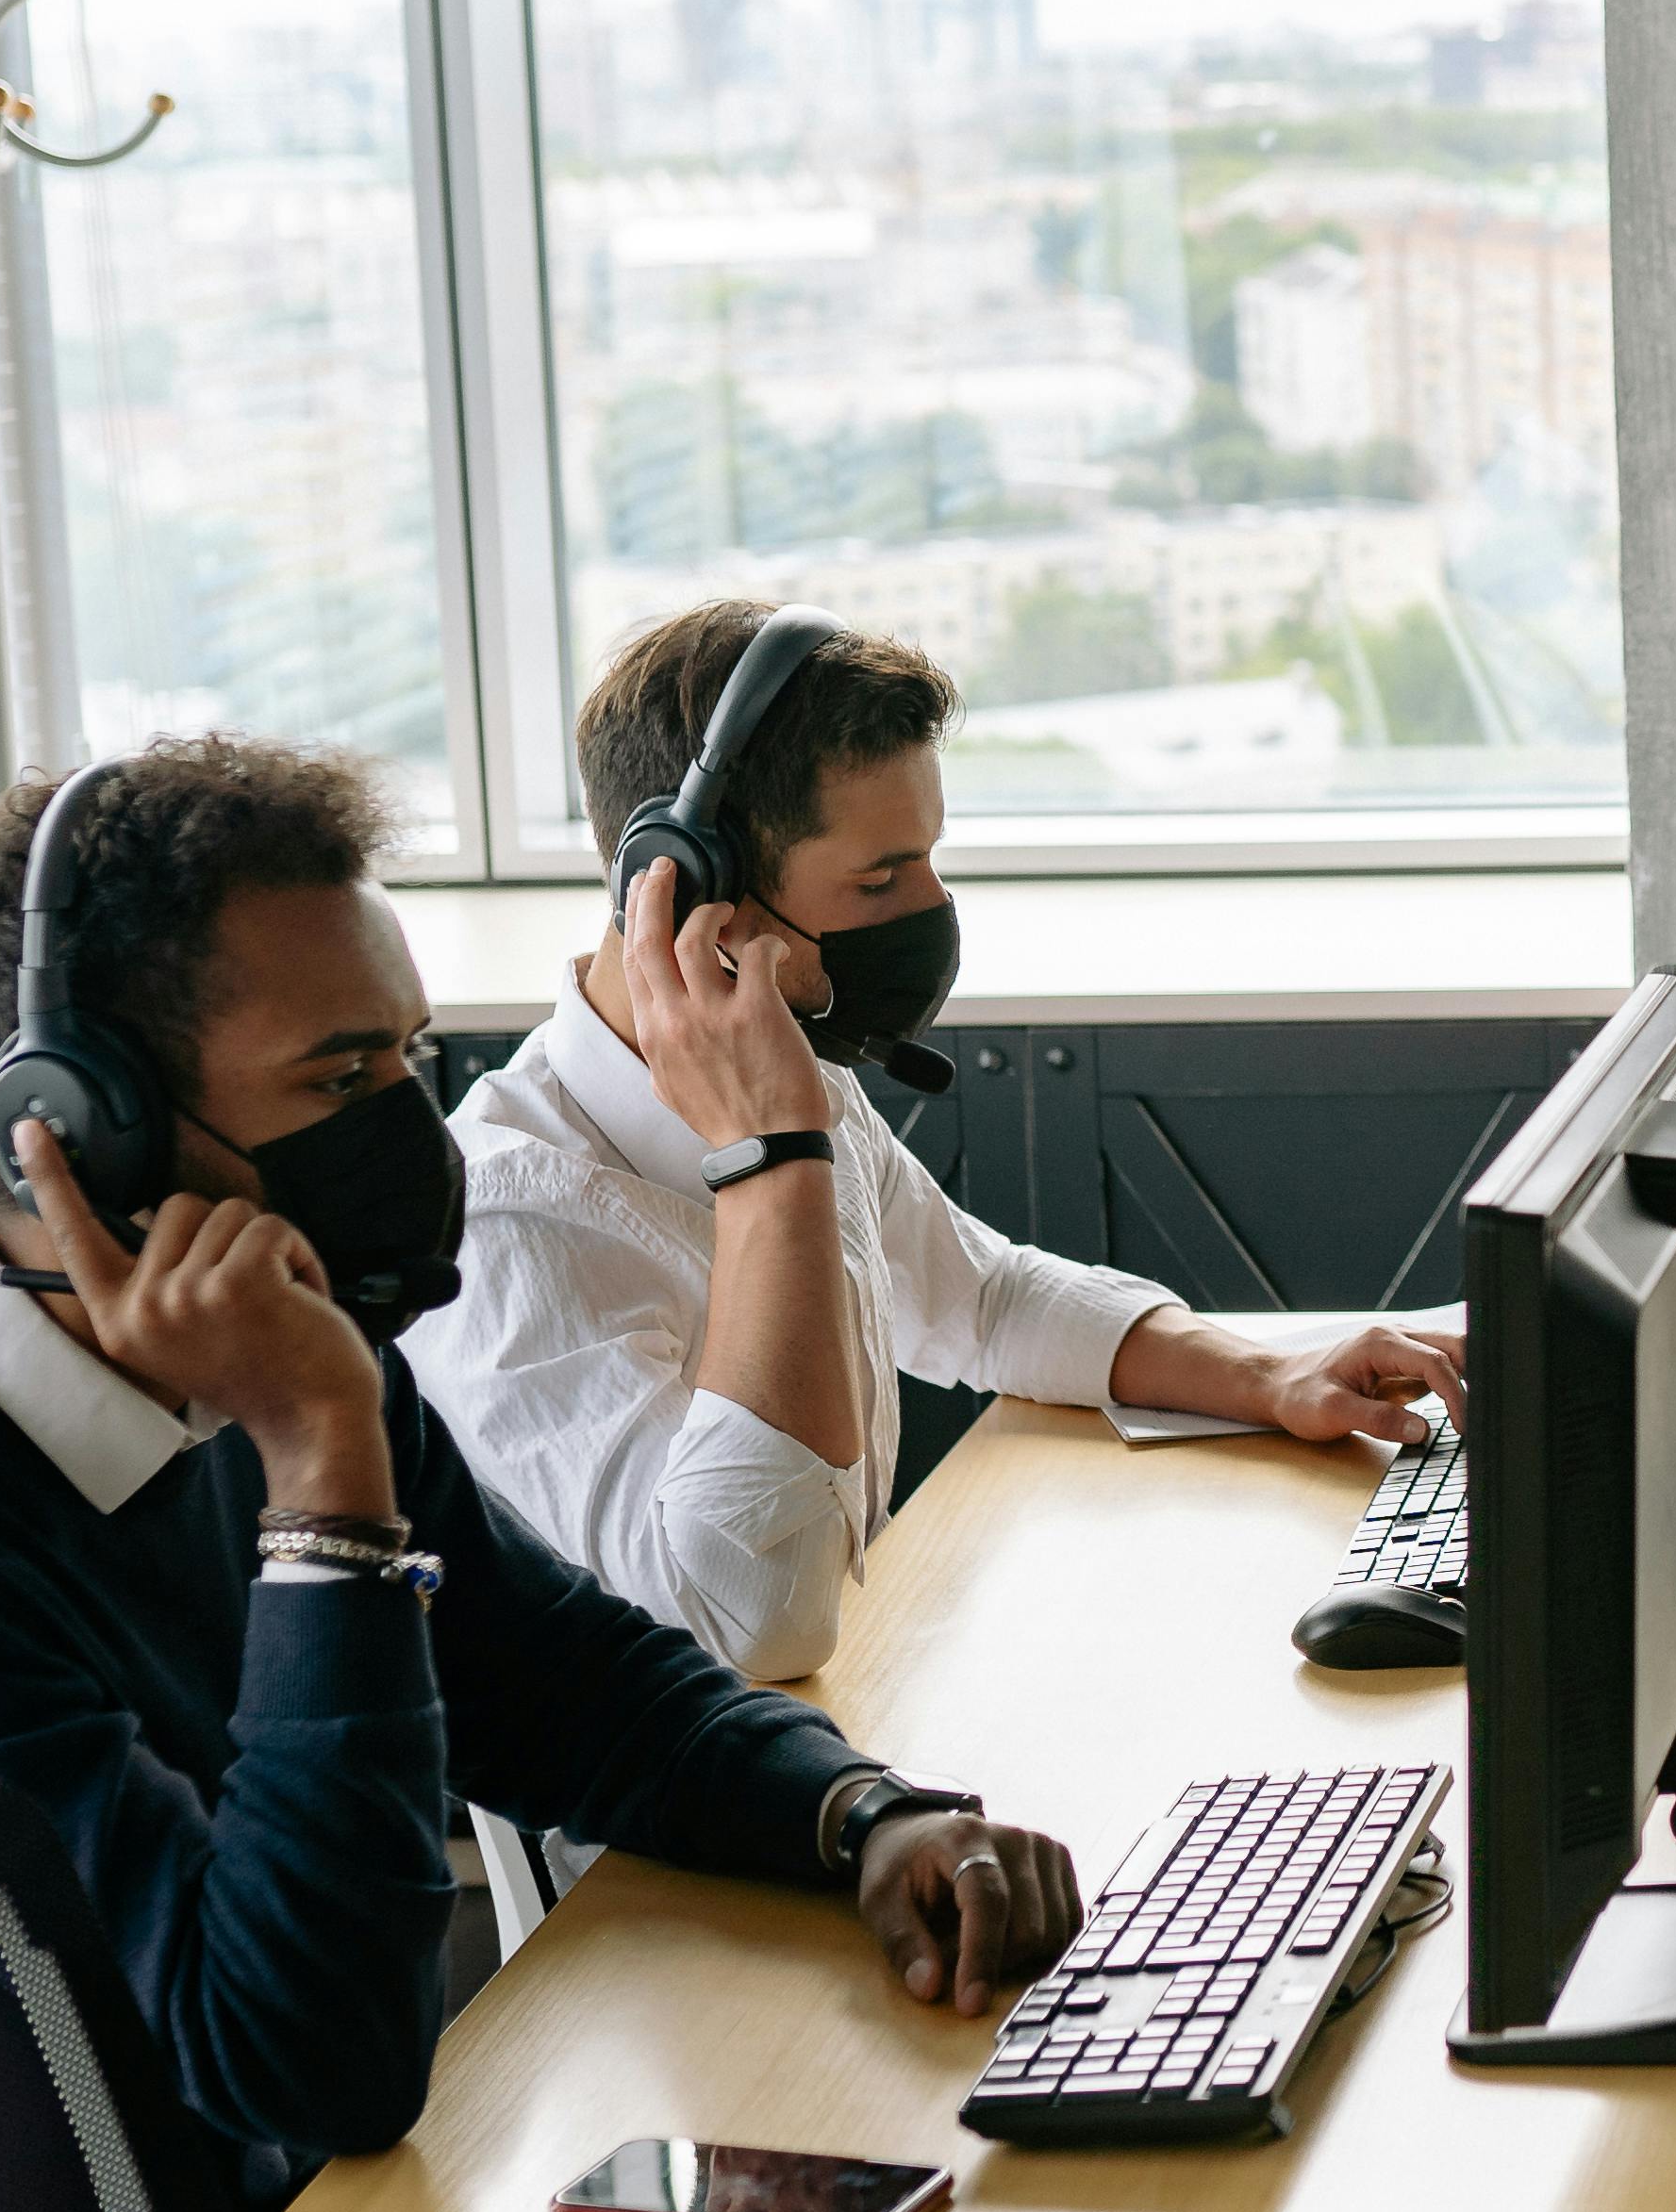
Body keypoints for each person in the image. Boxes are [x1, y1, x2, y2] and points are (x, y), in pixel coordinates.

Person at [0, 740, 1087, 2209]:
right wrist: (326, 1479)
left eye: (405, 1054)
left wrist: (863, 1817)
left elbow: (558, 1680)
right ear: (79, 1133)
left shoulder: (260, 1331)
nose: (404, 1121)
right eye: (338, 1075)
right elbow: (308, 2066)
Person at [405, 604, 1467, 1682]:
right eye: (879, 880)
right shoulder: (506, 1230)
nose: (933, 907)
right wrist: (771, 1163)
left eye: (927, 862)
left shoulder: (786, 1061)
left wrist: (1269, 1376)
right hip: (669, 1830)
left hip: (840, 1733)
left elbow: (984, 1298)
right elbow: (748, 1622)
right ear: (685, 888)